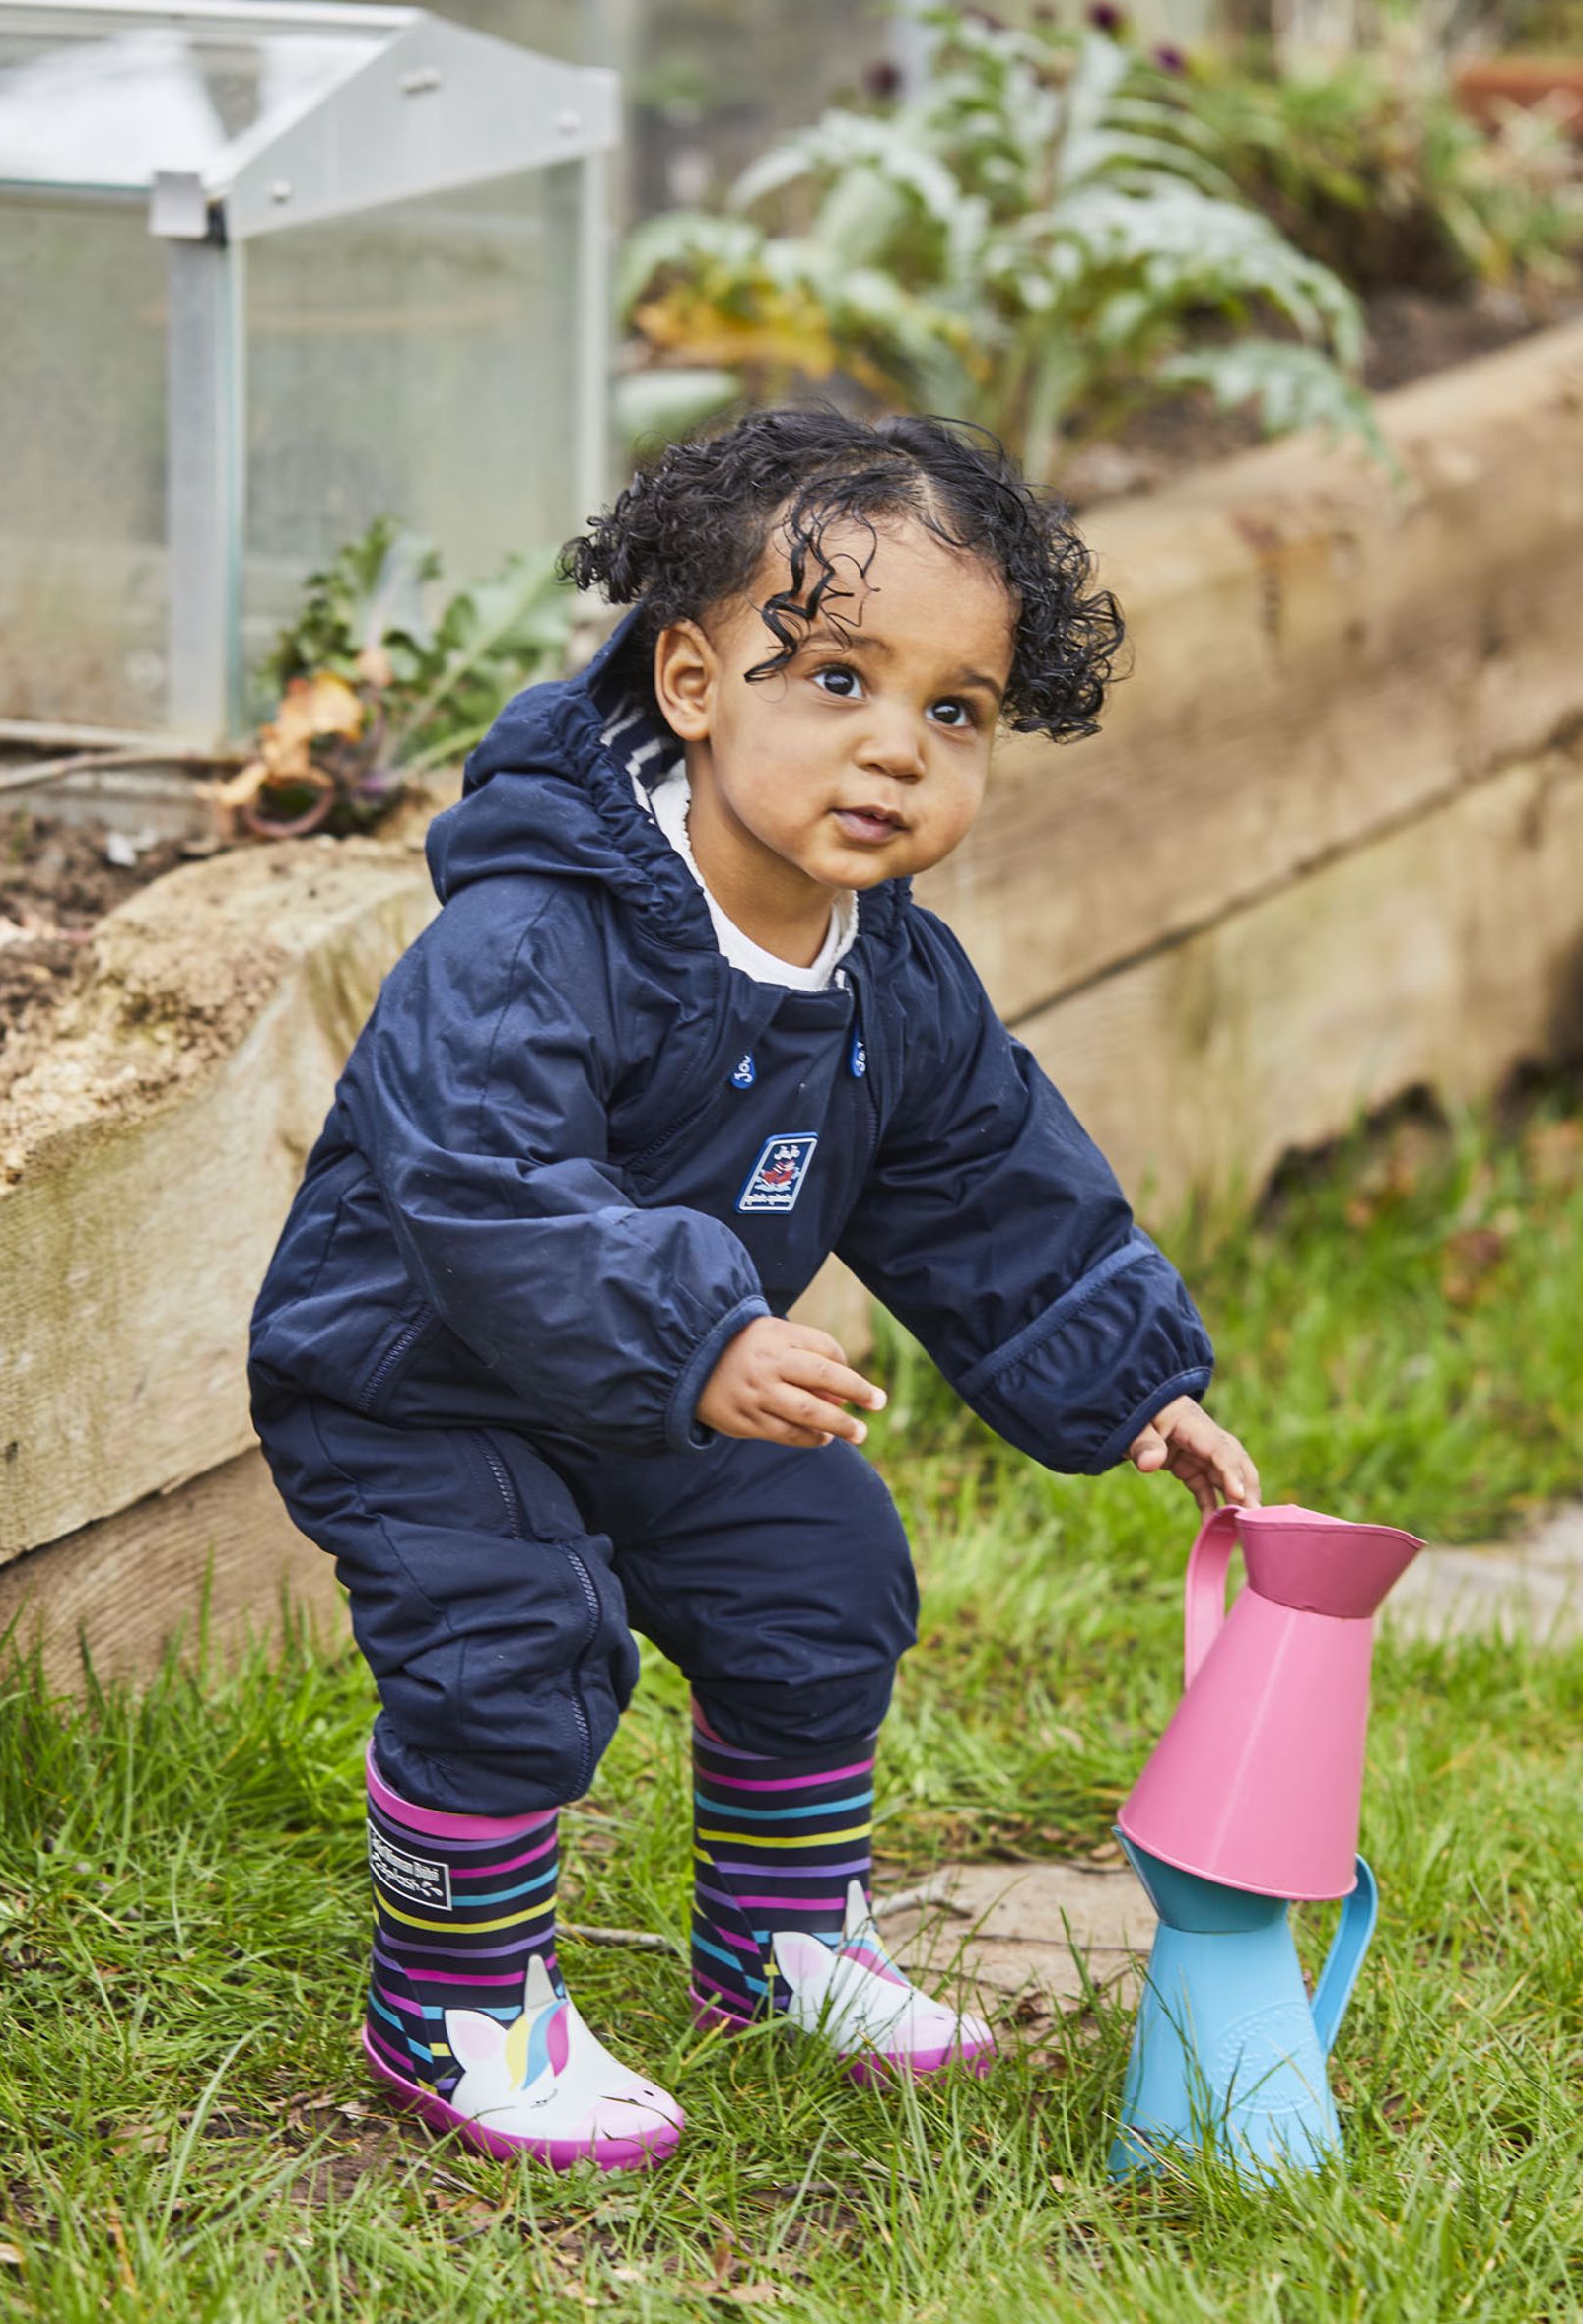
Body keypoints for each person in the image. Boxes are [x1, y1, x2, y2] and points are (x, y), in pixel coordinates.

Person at [248, 407, 1261, 2173]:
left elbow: (989, 1186)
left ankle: (782, 1942)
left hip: (675, 1386)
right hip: (420, 1376)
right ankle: (457, 2004)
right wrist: (703, 1330)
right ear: (695, 681)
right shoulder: (536, 932)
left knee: (822, 1575)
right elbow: (487, 1189)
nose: (894, 750)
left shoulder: (893, 977)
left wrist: (1129, 1379)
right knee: (516, 1651)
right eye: (835, 679)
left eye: (952, 711)